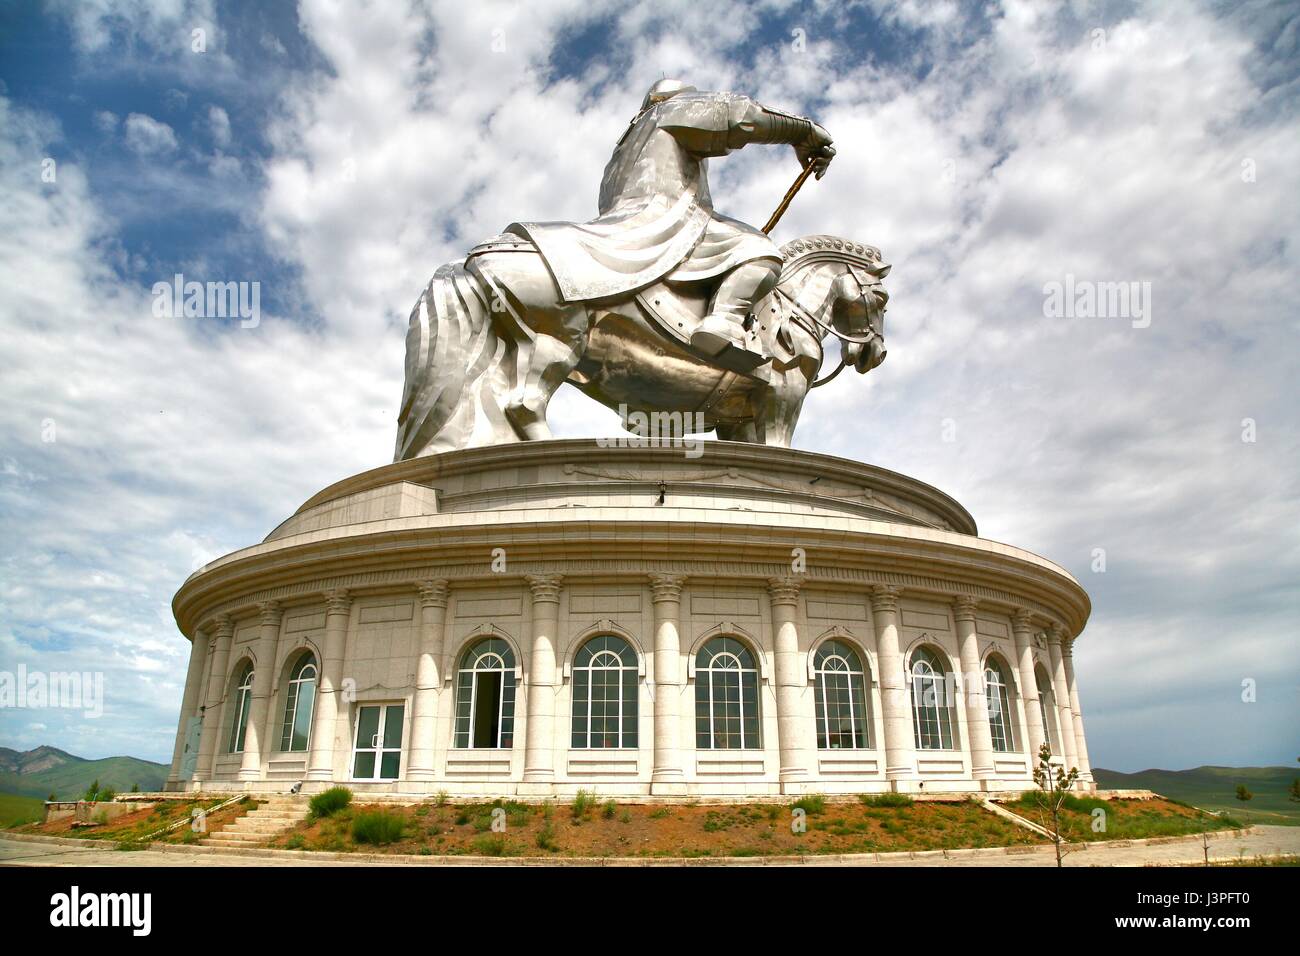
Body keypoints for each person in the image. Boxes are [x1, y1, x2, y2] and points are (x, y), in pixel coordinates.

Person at [507, 80, 835, 363]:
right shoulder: (673, 110)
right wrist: (803, 132)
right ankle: (723, 322)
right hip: (662, 218)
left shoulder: (623, 147)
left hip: (621, 219)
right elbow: (742, 117)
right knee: (759, 250)